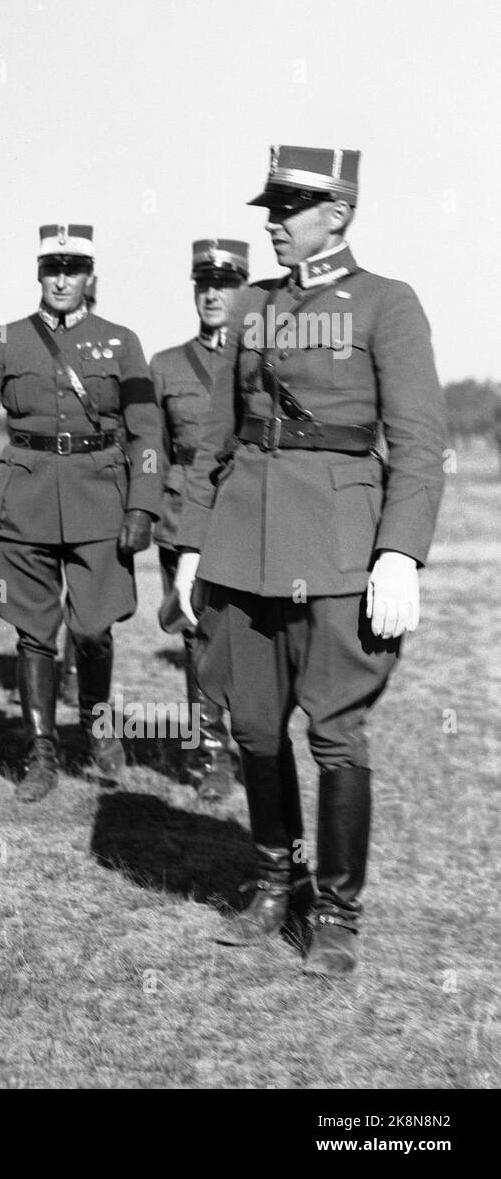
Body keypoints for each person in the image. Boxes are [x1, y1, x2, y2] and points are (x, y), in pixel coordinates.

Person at [174, 146, 446, 976]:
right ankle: (274, 880)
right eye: (271, 207)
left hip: (337, 546)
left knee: (336, 732)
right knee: (256, 728)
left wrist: (399, 552)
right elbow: (216, 437)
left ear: (339, 213)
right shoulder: (252, 306)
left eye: (289, 208)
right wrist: (190, 544)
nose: (272, 222)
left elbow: (421, 444)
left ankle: (336, 911)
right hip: (246, 546)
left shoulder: (387, 304)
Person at [0, 224, 163, 802]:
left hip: (100, 502)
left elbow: (146, 432)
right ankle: (41, 751)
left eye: (73, 268)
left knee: (92, 627)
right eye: (51, 268)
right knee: (33, 633)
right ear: (38, 273)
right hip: (26, 502)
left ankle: (96, 725)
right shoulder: (4, 340)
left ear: (90, 276)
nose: (61, 278)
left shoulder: (122, 342)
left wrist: (143, 503)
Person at [149, 238, 248, 802]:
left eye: (224, 284)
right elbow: (156, 450)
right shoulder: (166, 366)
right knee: (194, 634)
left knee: (247, 638)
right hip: (185, 517)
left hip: (248, 517)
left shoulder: (266, 358)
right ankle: (211, 752)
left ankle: (252, 746)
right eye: (203, 285)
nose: (212, 294)